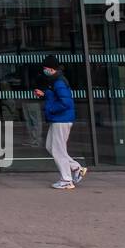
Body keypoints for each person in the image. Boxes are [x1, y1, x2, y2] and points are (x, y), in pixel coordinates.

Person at [35, 54, 87, 189]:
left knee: (58, 150)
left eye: (45, 68)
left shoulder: (58, 82)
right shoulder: (55, 80)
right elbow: (57, 97)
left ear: (51, 68)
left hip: (61, 119)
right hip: (58, 119)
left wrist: (51, 109)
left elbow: (65, 102)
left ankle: (66, 180)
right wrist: (44, 94)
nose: (44, 70)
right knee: (50, 147)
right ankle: (76, 168)